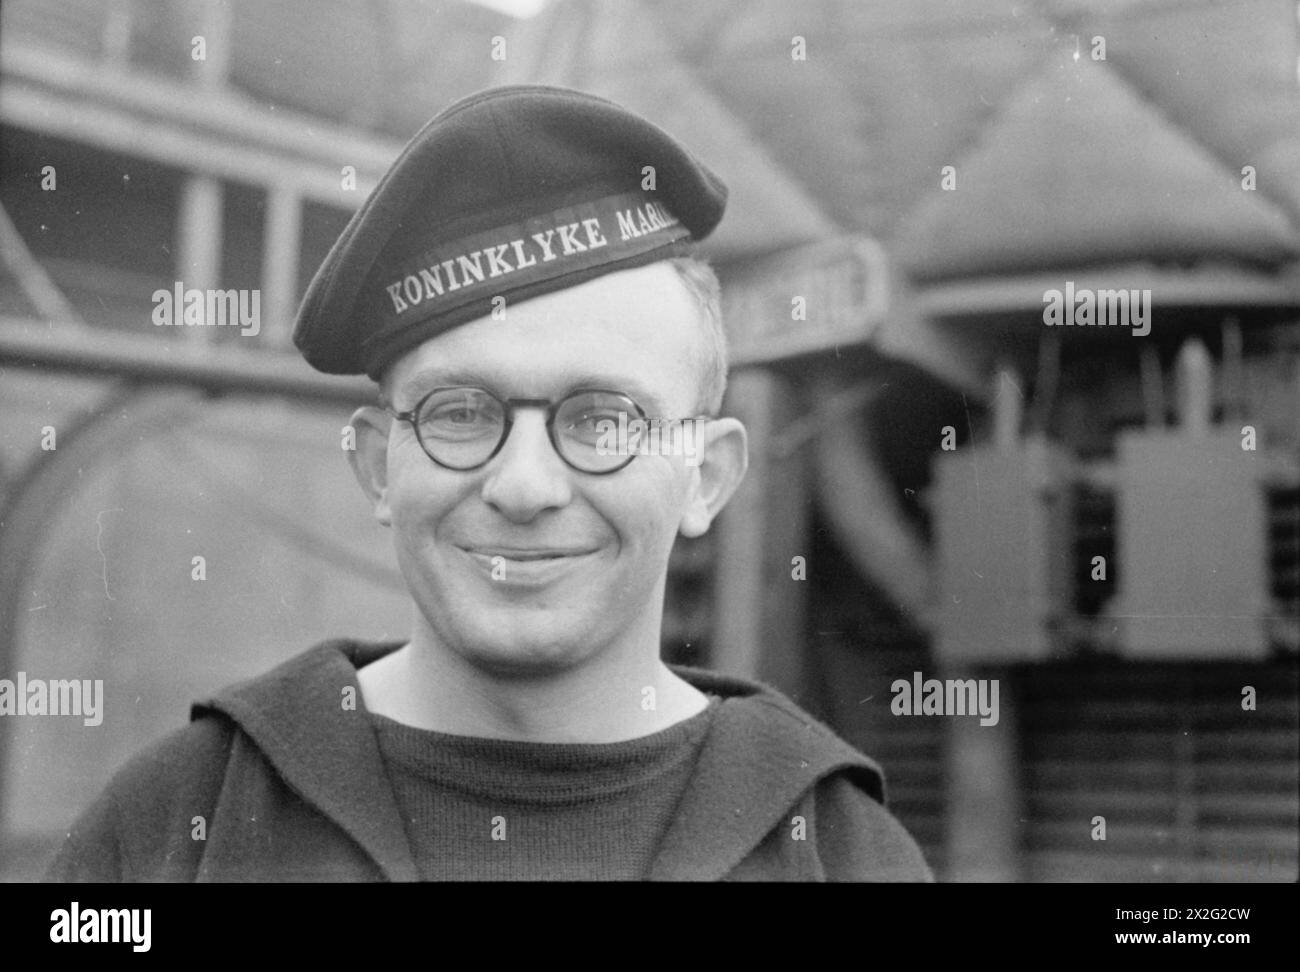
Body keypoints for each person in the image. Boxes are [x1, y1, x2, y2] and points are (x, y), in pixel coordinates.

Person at [47, 85, 931, 882]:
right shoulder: (179, 824)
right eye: (462, 413)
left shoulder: (841, 852)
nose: (524, 486)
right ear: (376, 464)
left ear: (707, 476)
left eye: (602, 420)